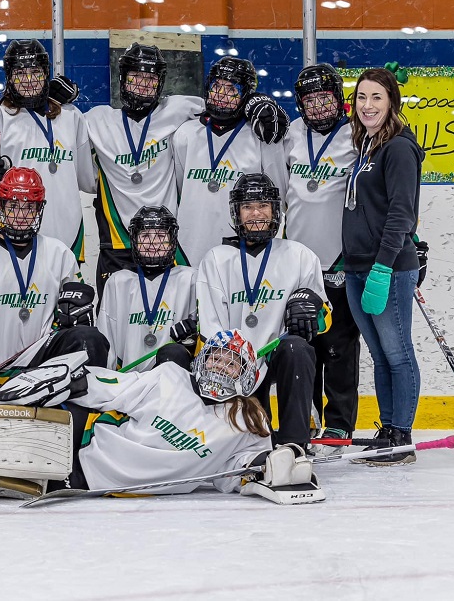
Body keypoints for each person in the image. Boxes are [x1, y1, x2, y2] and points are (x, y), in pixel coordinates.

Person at [0, 330, 323, 504]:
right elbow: (114, 387)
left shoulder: (247, 423)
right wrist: (74, 381)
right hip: (80, 459)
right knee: (17, 447)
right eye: (216, 358)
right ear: (202, 360)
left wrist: (271, 465)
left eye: (231, 363)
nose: (220, 367)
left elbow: (232, 476)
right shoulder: (170, 377)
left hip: (88, 485)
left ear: (248, 377)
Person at [195, 173, 329, 448]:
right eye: (247, 207)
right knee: (250, 439)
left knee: (297, 348)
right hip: (233, 362)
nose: (256, 214)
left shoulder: (300, 255)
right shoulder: (216, 259)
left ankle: (295, 444)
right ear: (236, 213)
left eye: (263, 206)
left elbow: (325, 319)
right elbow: (211, 328)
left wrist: (312, 312)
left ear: (275, 211)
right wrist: (236, 360)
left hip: (278, 356)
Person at [0, 167, 107, 401]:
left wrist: (76, 316)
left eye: (29, 208)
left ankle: (87, 422)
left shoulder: (60, 254)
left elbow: (75, 318)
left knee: (90, 338)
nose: (20, 214)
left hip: (43, 372)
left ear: (39, 210)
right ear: (0, 207)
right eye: (13, 206)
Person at [342, 67, 425, 465]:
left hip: (385, 268)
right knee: (379, 354)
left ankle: (402, 436)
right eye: (361, 97)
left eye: (376, 97)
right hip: (357, 267)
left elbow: (401, 214)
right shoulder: (366, 146)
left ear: (391, 100)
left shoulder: (398, 148)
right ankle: (388, 427)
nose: (367, 105)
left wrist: (384, 266)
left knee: (398, 353)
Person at [282, 64, 361, 450]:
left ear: (338, 100)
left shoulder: (356, 135)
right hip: (297, 261)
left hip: (340, 258)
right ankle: (307, 417)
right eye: (309, 101)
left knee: (339, 345)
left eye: (324, 99)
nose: (316, 108)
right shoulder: (292, 134)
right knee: (303, 343)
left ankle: (340, 424)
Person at [83, 43, 203, 294]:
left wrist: (256, 102)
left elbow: (223, 108)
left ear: (160, 83)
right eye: (136, 76)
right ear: (122, 79)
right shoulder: (97, 120)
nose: (142, 83)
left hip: (164, 242)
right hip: (117, 245)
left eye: (150, 77)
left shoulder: (179, 109)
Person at [0, 39, 95, 263]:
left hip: (69, 236)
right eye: (20, 73)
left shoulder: (71, 116)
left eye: (35, 72)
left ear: (46, 73)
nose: (28, 80)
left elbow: (88, 180)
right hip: (13, 239)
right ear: (9, 77)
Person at [172, 56, 290, 267]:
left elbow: (277, 192)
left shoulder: (261, 136)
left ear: (246, 95)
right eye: (217, 86)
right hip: (190, 244)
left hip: (245, 246)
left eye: (231, 89)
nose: (221, 95)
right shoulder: (185, 133)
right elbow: (182, 188)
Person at [96, 205, 196, 372]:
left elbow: (201, 330)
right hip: (128, 380)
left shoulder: (190, 278)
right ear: (134, 240)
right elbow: (106, 337)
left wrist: (193, 332)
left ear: (173, 240)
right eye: (145, 235)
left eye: (161, 236)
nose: (153, 242)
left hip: (172, 378)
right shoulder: (118, 282)